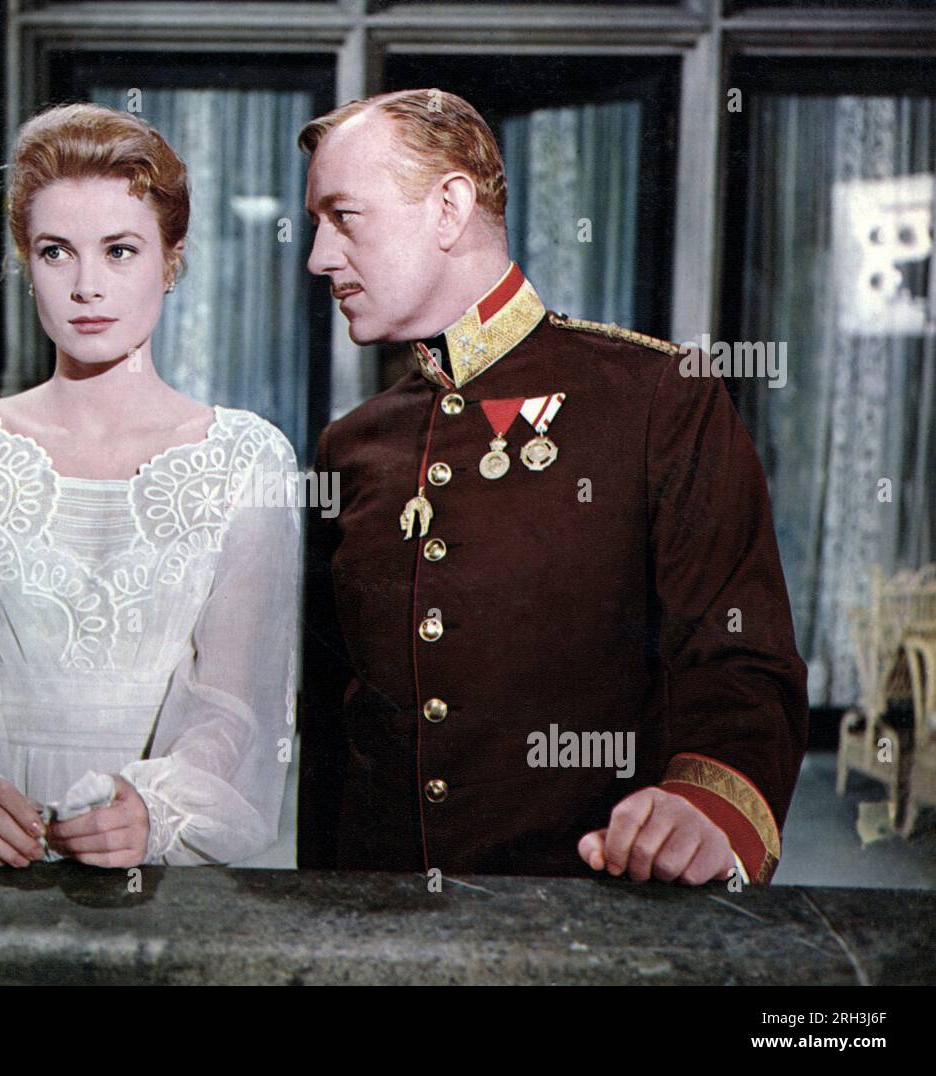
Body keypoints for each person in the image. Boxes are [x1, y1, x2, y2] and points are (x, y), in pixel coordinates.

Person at [296, 89, 808, 886]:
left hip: (589, 926)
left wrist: (702, 807)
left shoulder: (657, 396)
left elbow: (738, 661)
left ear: (449, 207)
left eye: (344, 217)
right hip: (377, 932)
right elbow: (332, 735)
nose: (318, 257)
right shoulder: (352, 443)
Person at [0, 102, 300, 869]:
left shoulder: (249, 460)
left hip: (152, 870)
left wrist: (157, 813)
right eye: (58, 252)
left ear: (172, 260)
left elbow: (239, 707)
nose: (88, 286)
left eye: (120, 251)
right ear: (27, 262)